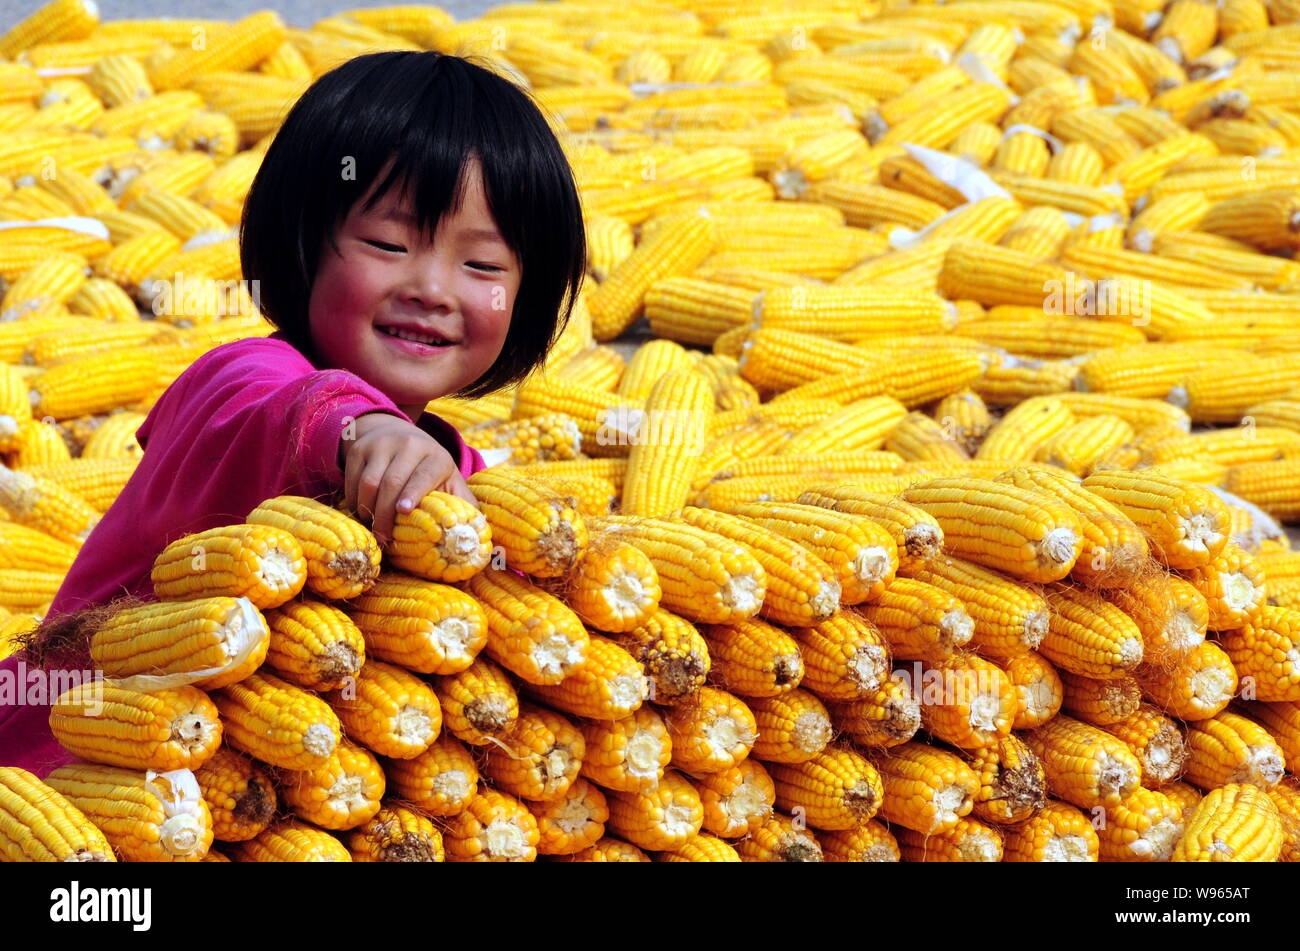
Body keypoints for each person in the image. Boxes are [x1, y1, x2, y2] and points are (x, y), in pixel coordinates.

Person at [0, 51, 586, 776]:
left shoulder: (453, 474)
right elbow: (282, 411)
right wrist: (360, 430)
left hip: (251, 795)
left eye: (484, 266)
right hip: (58, 764)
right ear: (303, 245)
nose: (433, 287)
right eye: (388, 243)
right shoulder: (244, 379)